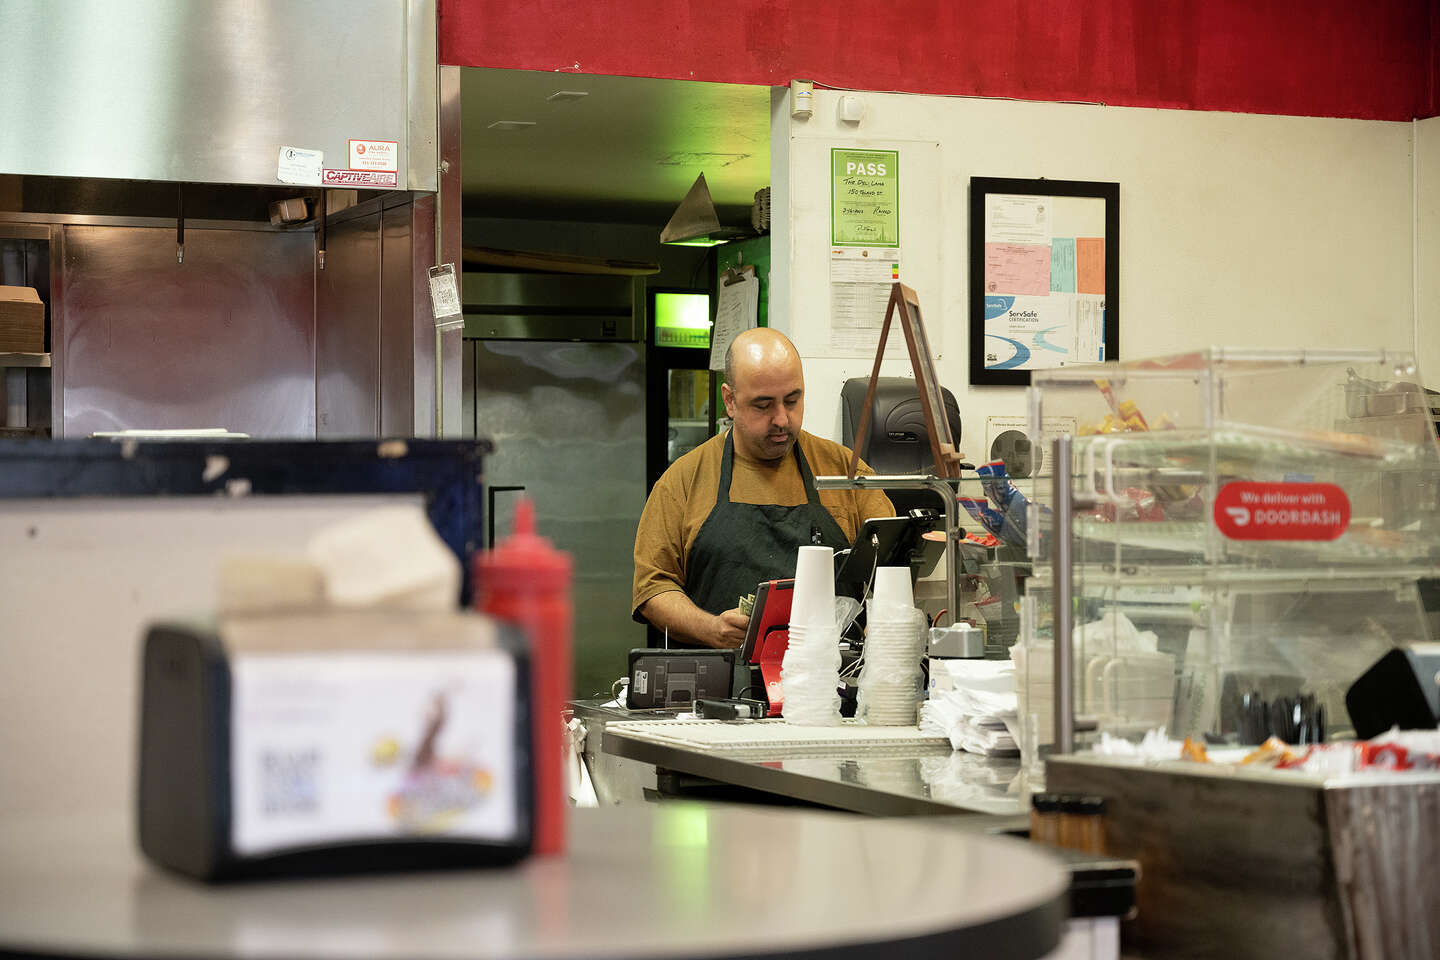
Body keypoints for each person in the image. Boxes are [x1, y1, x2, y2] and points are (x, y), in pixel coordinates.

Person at [632, 327, 894, 648]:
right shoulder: (685, 480)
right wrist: (712, 629)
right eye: (763, 405)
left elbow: (891, 568)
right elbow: (653, 587)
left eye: (792, 400)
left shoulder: (844, 472)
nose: (782, 418)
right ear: (730, 400)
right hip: (720, 686)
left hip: (826, 682)